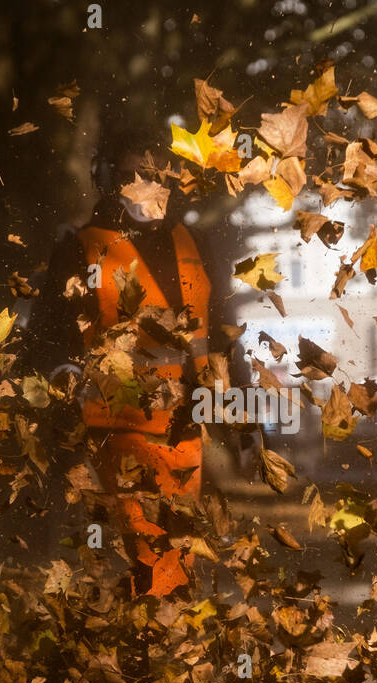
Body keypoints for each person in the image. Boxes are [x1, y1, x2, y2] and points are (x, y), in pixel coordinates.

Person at [32, 122, 226, 597]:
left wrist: (232, 404)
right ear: (106, 179)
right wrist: (64, 381)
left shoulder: (191, 241)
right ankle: (146, 626)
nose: (144, 187)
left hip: (186, 426)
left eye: (154, 176)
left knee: (178, 552)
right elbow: (46, 337)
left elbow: (215, 330)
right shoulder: (81, 248)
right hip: (119, 425)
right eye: (130, 176)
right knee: (146, 548)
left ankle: (168, 626)